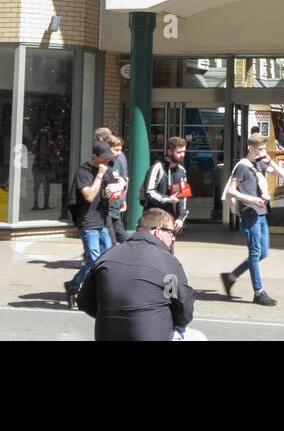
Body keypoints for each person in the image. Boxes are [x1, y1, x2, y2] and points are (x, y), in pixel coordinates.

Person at [77, 207, 203, 341]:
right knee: (198, 337)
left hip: (107, 335)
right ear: (158, 231)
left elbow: (84, 301)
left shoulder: (106, 257)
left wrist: (115, 315)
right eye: (171, 232)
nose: (173, 238)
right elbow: (184, 310)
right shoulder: (167, 262)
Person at [220, 134, 278, 306]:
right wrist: (252, 200)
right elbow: (231, 191)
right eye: (259, 149)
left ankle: (231, 276)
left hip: (261, 212)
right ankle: (258, 292)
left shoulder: (259, 162)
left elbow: (280, 173)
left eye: (264, 148)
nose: (262, 151)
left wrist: (269, 160)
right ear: (251, 149)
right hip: (249, 213)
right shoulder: (242, 167)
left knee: (263, 253)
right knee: (255, 253)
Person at [65, 142, 117, 306]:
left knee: (105, 259)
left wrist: (118, 190)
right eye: (104, 158)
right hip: (88, 222)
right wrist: (100, 175)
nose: (108, 161)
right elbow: (88, 195)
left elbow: (111, 195)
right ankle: (88, 292)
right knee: (95, 261)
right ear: (95, 157)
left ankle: (74, 286)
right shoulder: (83, 171)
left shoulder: (107, 170)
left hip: (103, 220)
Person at [143, 136, 189, 232]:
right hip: (154, 219)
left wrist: (180, 218)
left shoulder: (181, 171)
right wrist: (169, 199)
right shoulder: (157, 167)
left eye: (184, 152)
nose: (182, 155)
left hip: (171, 221)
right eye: (179, 152)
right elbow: (149, 192)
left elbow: (183, 197)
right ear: (169, 152)